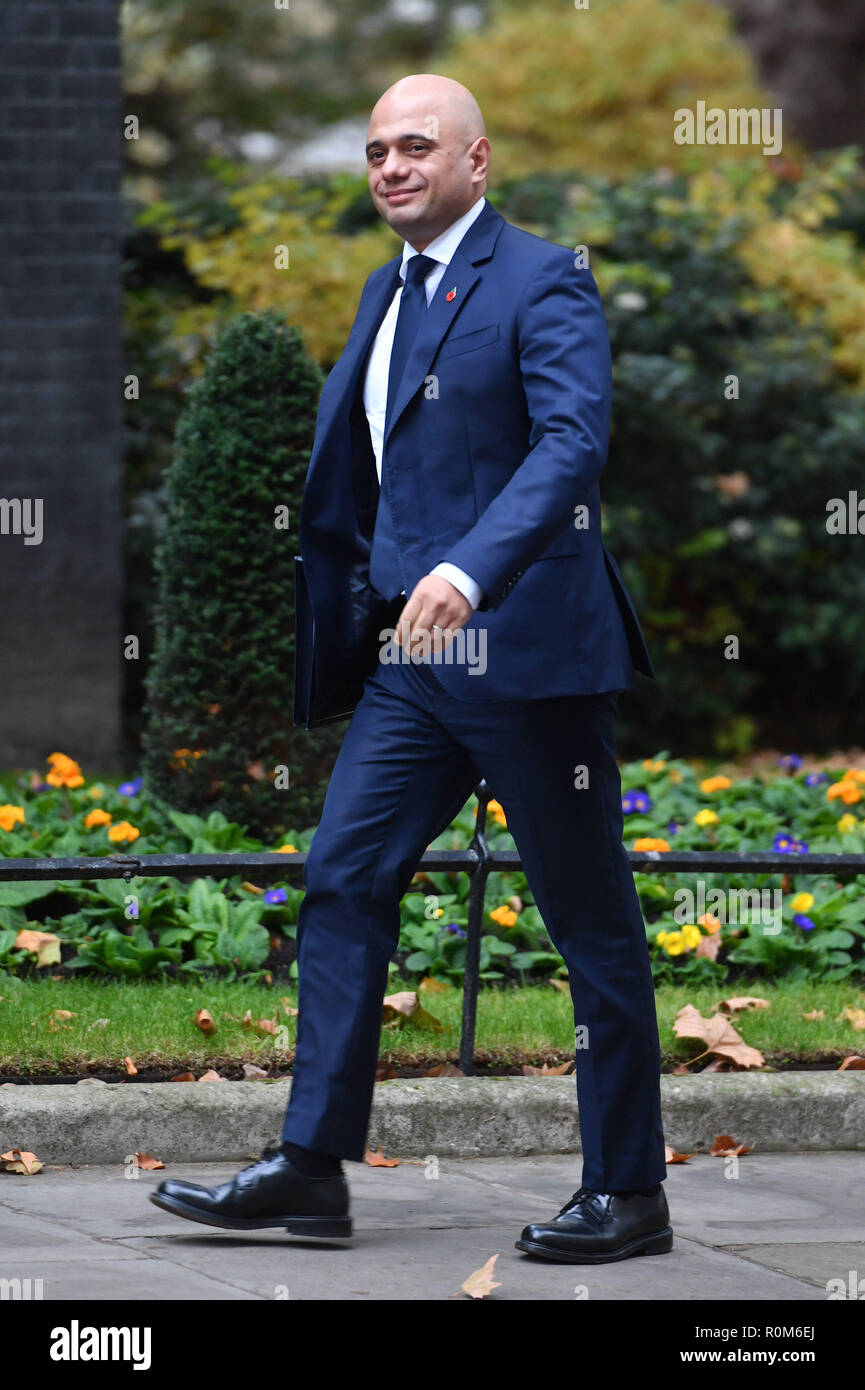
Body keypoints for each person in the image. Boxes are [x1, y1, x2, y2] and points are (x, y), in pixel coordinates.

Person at [151, 73, 672, 1265]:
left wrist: (471, 571)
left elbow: (569, 444)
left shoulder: (545, 277)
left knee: (588, 924)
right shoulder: (387, 292)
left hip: (527, 657)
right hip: (414, 664)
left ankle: (630, 1192)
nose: (390, 166)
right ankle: (311, 1168)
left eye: (416, 147)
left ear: (476, 161)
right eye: (377, 149)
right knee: (342, 877)